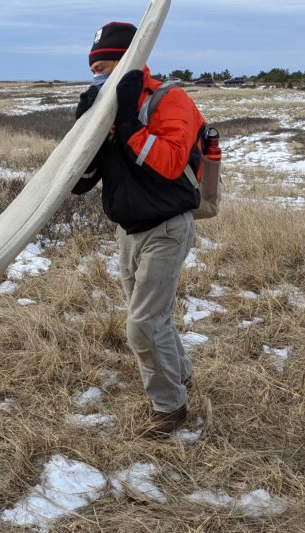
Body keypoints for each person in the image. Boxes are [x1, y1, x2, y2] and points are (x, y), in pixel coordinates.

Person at [73, 21, 207, 437]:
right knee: (154, 319)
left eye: (111, 66)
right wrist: (84, 135)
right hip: (128, 231)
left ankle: (170, 409)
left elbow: (168, 163)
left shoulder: (171, 100)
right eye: (96, 69)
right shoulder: (105, 107)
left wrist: (129, 122)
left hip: (166, 228)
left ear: (134, 64)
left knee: (142, 326)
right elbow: (80, 182)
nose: (102, 76)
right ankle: (181, 375)